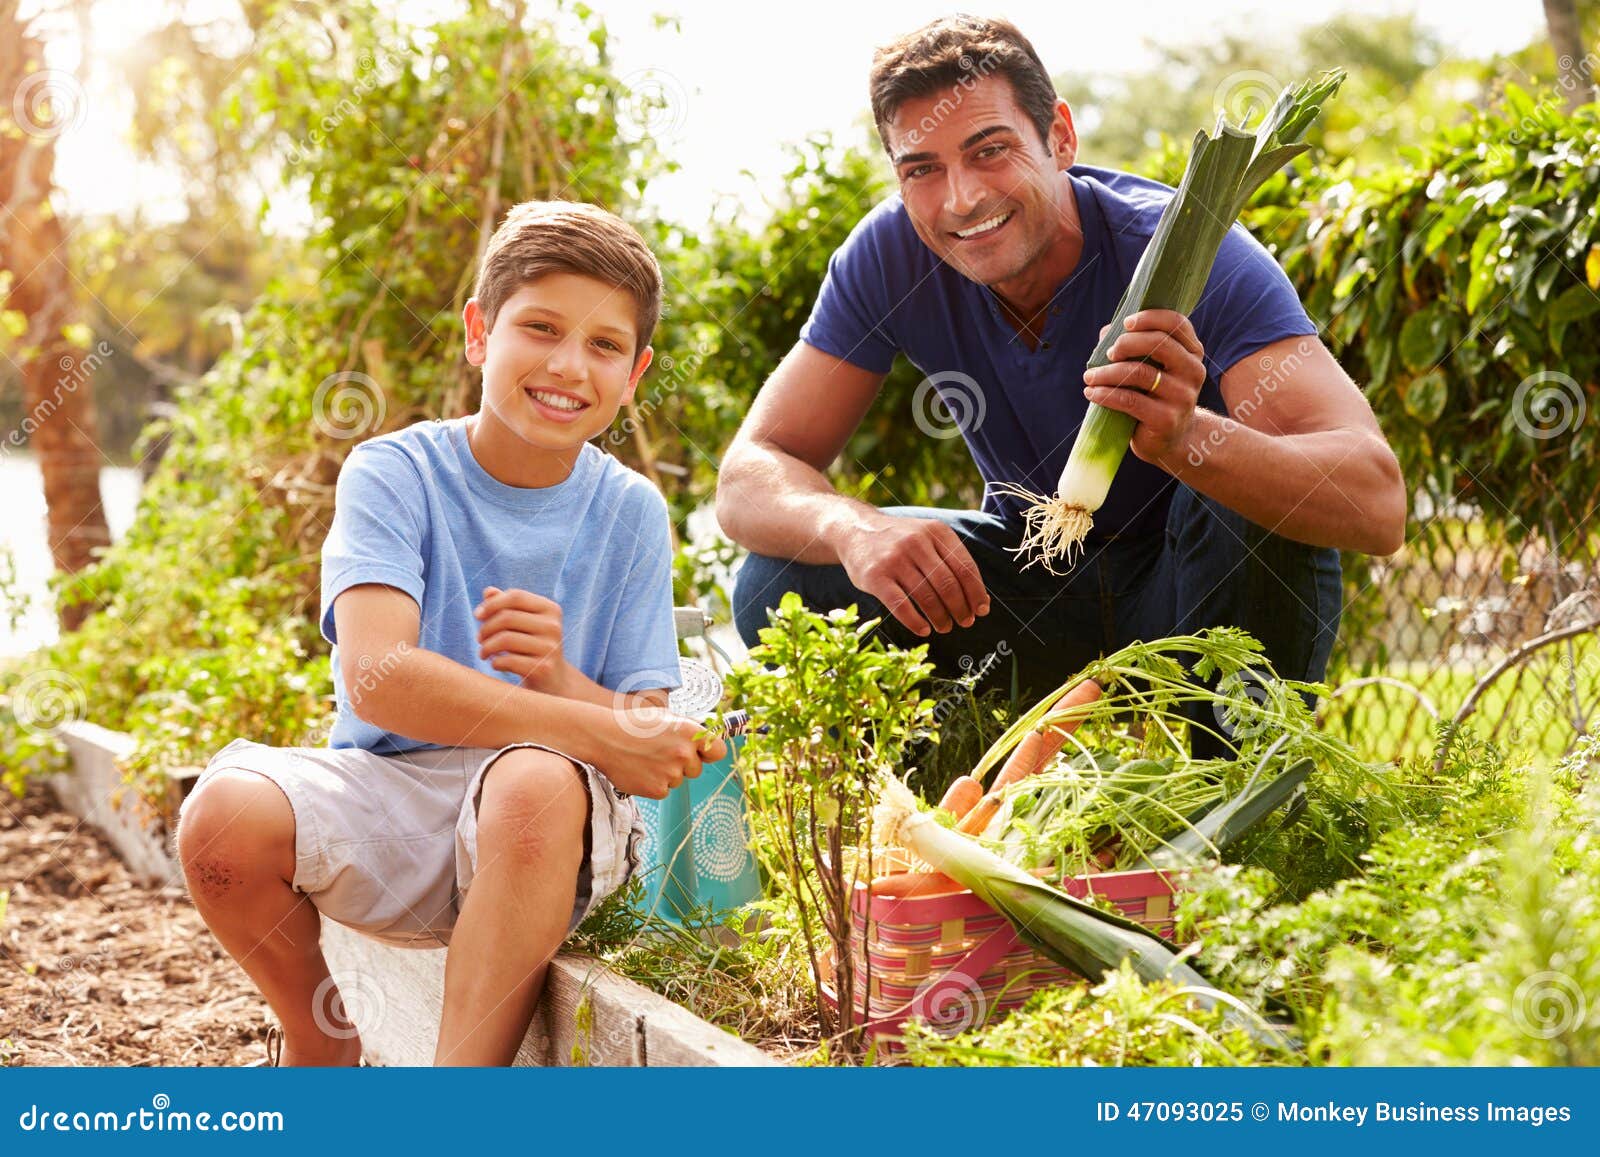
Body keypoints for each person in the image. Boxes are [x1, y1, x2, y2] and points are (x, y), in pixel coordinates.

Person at [718, 15, 1405, 730]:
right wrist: (852, 528)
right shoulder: (889, 256)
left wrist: (1187, 437)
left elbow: (1377, 502)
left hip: (1195, 599)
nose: (961, 199)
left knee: (1243, 497)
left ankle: (1222, 803)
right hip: (1027, 592)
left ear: (1061, 138)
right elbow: (748, 475)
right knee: (784, 576)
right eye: (921, 168)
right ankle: (946, 792)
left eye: (990, 151)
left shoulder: (1199, 252)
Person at [176, 201, 725, 1067]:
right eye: (539, 328)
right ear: (479, 332)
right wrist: (584, 719)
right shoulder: (395, 474)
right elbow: (379, 677)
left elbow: (639, 742)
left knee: (535, 783)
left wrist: (557, 677)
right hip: (395, 796)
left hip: (549, 828)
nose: (567, 365)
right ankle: (322, 1040)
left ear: (635, 372)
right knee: (220, 818)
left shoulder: (628, 511)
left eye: (604, 345)